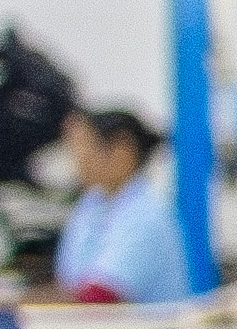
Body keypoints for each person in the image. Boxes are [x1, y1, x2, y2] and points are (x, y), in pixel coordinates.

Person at [53, 108, 192, 301]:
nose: (78, 159)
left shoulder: (145, 214)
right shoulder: (91, 204)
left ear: (121, 150)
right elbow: (69, 285)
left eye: (87, 147)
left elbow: (100, 296)